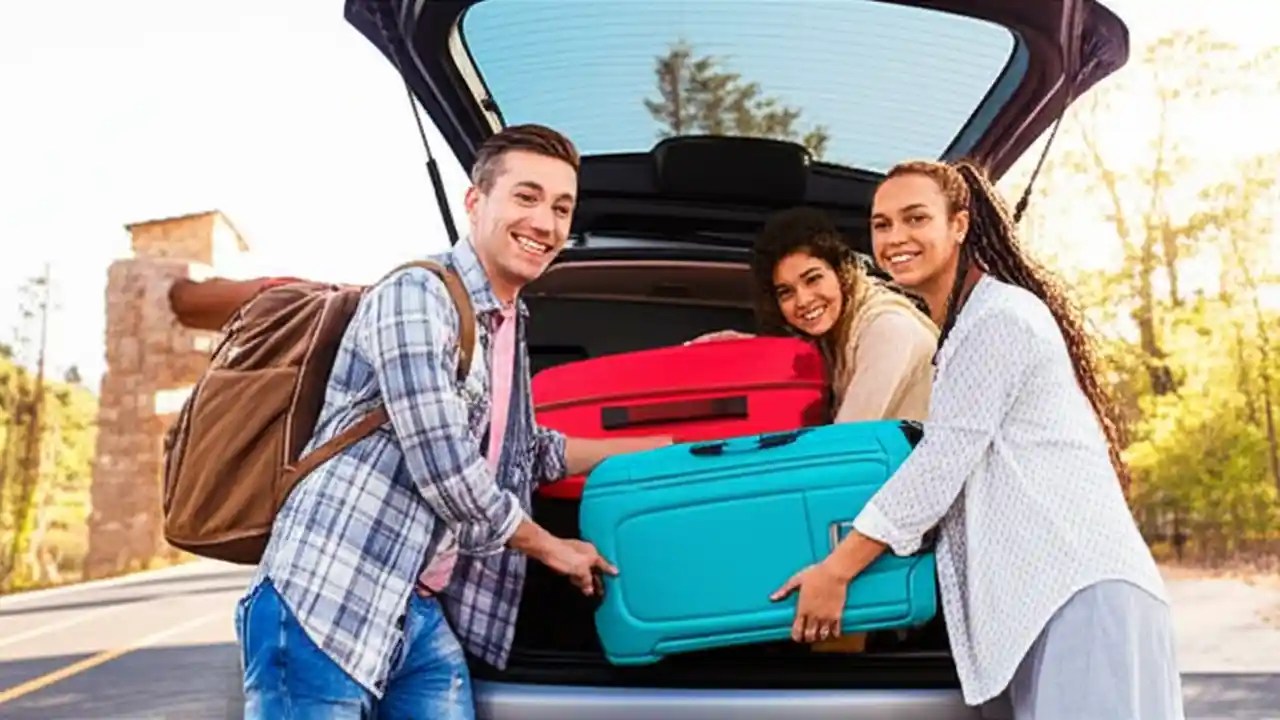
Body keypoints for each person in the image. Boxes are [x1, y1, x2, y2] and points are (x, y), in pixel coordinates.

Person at [235, 124, 670, 719]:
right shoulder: (417, 296)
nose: (546, 222)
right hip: (330, 595)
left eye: (561, 207)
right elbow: (447, 469)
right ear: (475, 201)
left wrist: (663, 451)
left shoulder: (509, 322)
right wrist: (555, 550)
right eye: (527, 196)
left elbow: (527, 453)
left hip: (417, 608)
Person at [770, 159, 1184, 718]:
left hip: (1079, 595)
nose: (895, 239)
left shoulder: (1000, 320)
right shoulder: (963, 330)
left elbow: (940, 466)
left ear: (959, 224)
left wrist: (837, 568)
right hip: (1040, 604)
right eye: (882, 225)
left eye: (915, 218)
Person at [690, 207, 939, 426]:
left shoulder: (888, 329)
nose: (803, 300)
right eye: (785, 292)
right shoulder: (837, 335)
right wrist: (747, 349)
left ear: (841, 271)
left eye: (813, 279)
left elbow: (845, 442)